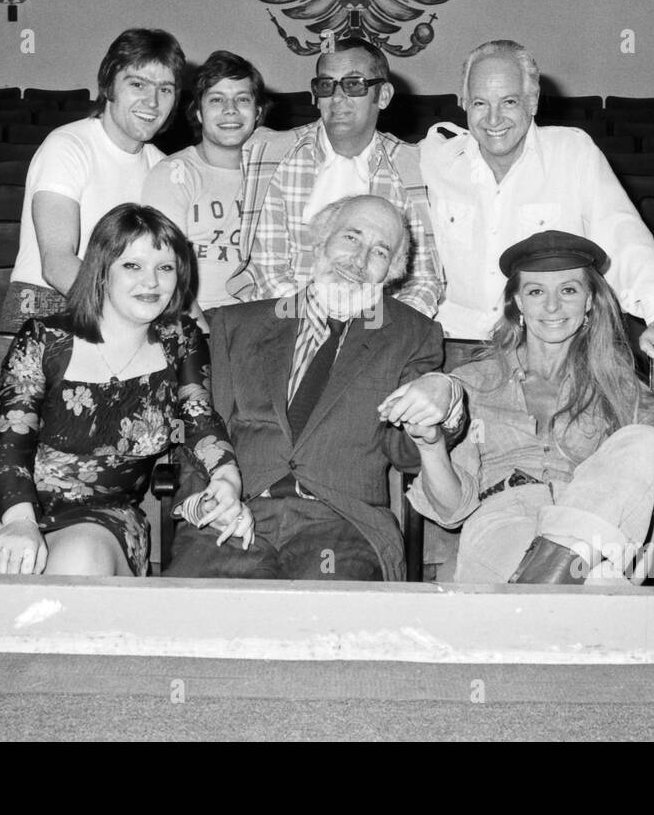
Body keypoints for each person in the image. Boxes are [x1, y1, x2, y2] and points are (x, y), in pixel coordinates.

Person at [408, 230, 654, 585]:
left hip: (600, 528)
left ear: (590, 300)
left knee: (647, 443)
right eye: (536, 292)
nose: (553, 306)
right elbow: (451, 508)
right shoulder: (473, 382)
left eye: (570, 290)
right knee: (599, 583)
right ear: (516, 303)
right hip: (503, 524)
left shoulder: (617, 386)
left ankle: (545, 594)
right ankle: (571, 595)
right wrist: (430, 446)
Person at [167, 194, 462, 581]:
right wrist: (202, 502)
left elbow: (407, 453)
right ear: (320, 239)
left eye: (379, 251)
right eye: (351, 238)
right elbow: (201, 430)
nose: (358, 261)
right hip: (233, 514)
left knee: (325, 622)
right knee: (199, 622)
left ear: (391, 270)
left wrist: (440, 407)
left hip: (341, 527)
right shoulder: (236, 326)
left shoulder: (411, 334)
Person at [0, 204, 245, 577]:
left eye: (164, 267)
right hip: (7, 499)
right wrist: (20, 522)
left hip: (105, 511)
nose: (151, 282)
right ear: (102, 271)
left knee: (79, 567)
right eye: (132, 265)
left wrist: (226, 480)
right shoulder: (44, 339)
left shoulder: (182, 339)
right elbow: (11, 441)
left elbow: (198, 419)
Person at [420, 39, 654, 388]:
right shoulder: (436, 159)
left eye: (509, 102)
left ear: (532, 101)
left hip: (550, 353)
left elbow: (623, 235)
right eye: (479, 103)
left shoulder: (572, 153)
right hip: (455, 351)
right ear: (463, 104)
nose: (493, 119)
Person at [229, 37, 443, 317]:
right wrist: (313, 325)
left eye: (354, 84)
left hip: (379, 333)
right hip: (288, 324)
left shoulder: (413, 166)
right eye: (326, 85)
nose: (338, 98)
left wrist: (383, 332)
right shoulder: (274, 155)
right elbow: (267, 271)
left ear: (384, 95)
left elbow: (424, 281)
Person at [0, 28, 186, 331]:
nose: (152, 101)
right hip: (49, 301)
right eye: (138, 84)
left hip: (127, 308)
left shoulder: (164, 167)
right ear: (108, 86)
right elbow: (57, 262)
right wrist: (119, 318)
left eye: (165, 89)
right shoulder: (68, 145)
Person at [143, 50, 267, 329]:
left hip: (259, 317)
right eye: (216, 100)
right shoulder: (175, 174)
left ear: (258, 112)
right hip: (194, 317)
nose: (230, 109)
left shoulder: (276, 173)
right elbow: (165, 270)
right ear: (198, 112)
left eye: (243, 99)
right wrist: (205, 334)